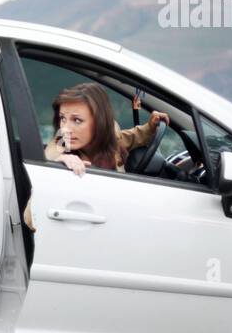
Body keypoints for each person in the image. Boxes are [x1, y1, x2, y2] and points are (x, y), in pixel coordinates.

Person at [22, 82, 170, 232]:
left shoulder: (110, 137)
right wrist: (56, 165)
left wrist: (150, 127)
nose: (65, 128)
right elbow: (30, 219)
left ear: (99, 122)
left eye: (77, 120)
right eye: (63, 118)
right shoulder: (61, 145)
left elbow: (129, 138)